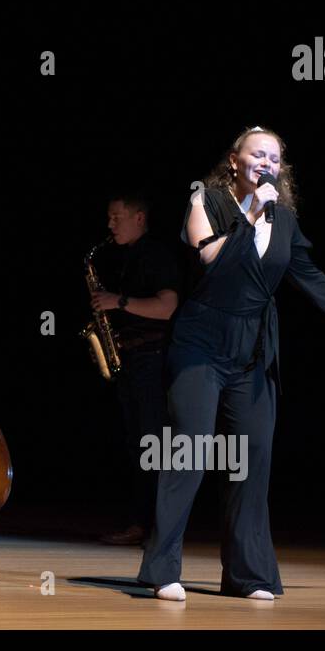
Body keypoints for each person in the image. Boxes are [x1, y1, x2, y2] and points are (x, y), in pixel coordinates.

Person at [136, 126, 325, 602]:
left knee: (252, 460)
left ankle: (249, 576)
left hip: (254, 348)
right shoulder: (208, 201)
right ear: (235, 161)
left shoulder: (282, 219)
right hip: (200, 341)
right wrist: (249, 212)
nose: (267, 163)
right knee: (191, 452)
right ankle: (162, 571)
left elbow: (307, 273)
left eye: (275, 158)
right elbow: (211, 260)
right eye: (258, 154)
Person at [91, 191, 182, 546]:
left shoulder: (157, 254)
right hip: (131, 359)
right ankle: (143, 523)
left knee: (152, 444)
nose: (110, 224)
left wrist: (119, 302)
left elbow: (168, 307)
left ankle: (154, 526)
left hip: (153, 359)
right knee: (137, 443)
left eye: (116, 217)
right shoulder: (126, 256)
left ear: (139, 217)